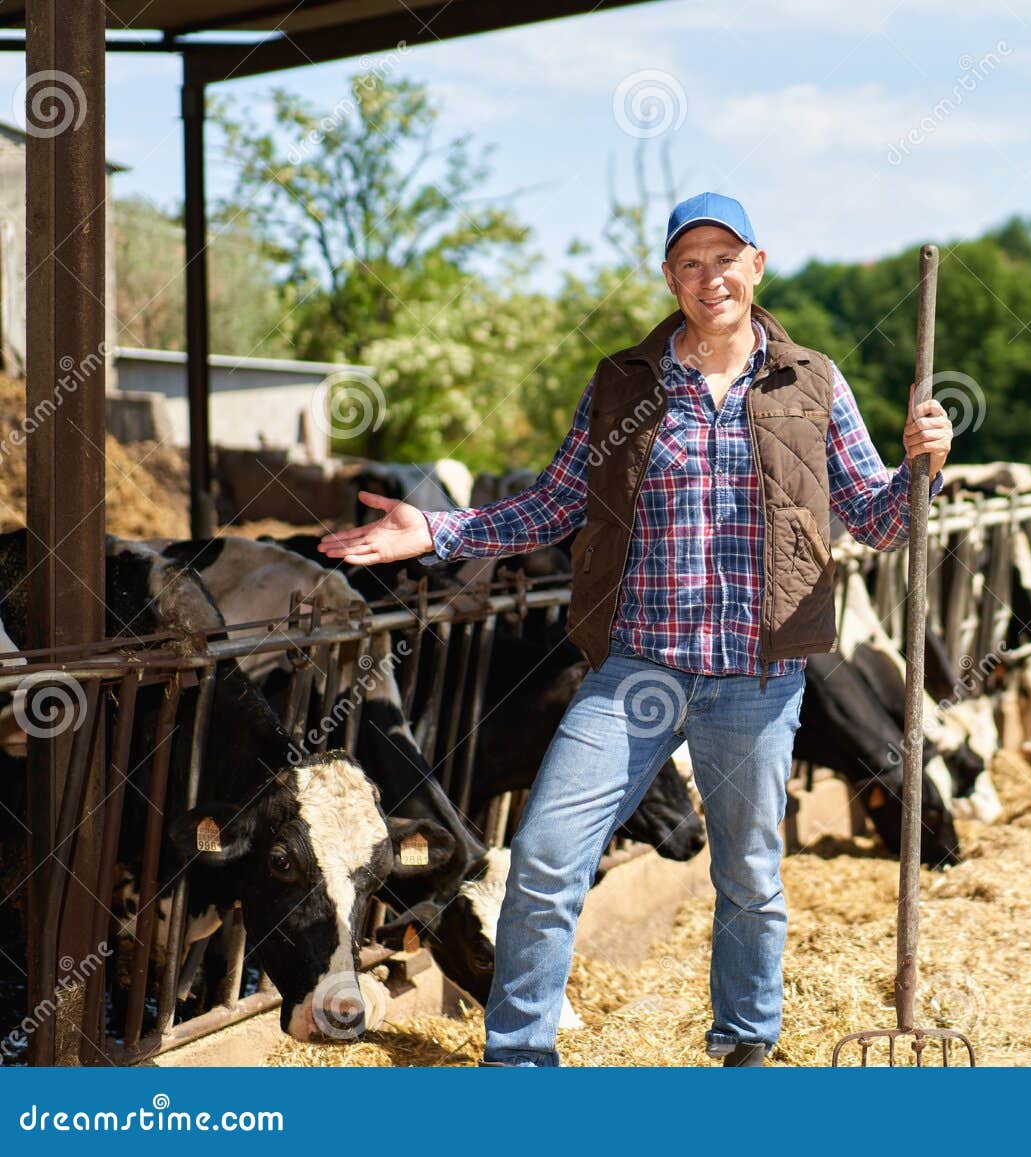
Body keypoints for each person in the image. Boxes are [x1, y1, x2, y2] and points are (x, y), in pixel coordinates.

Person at [318, 191, 954, 1067]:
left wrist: (926, 466)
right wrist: (438, 529)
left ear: (756, 266)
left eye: (725, 258)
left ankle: (745, 1048)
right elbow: (554, 504)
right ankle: (519, 1058)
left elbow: (881, 521)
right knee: (544, 854)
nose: (710, 277)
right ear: (669, 277)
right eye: (690, 262)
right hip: (637, 671)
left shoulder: (813, 382)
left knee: (750, 876)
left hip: (757, 677)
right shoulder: (626, 381)